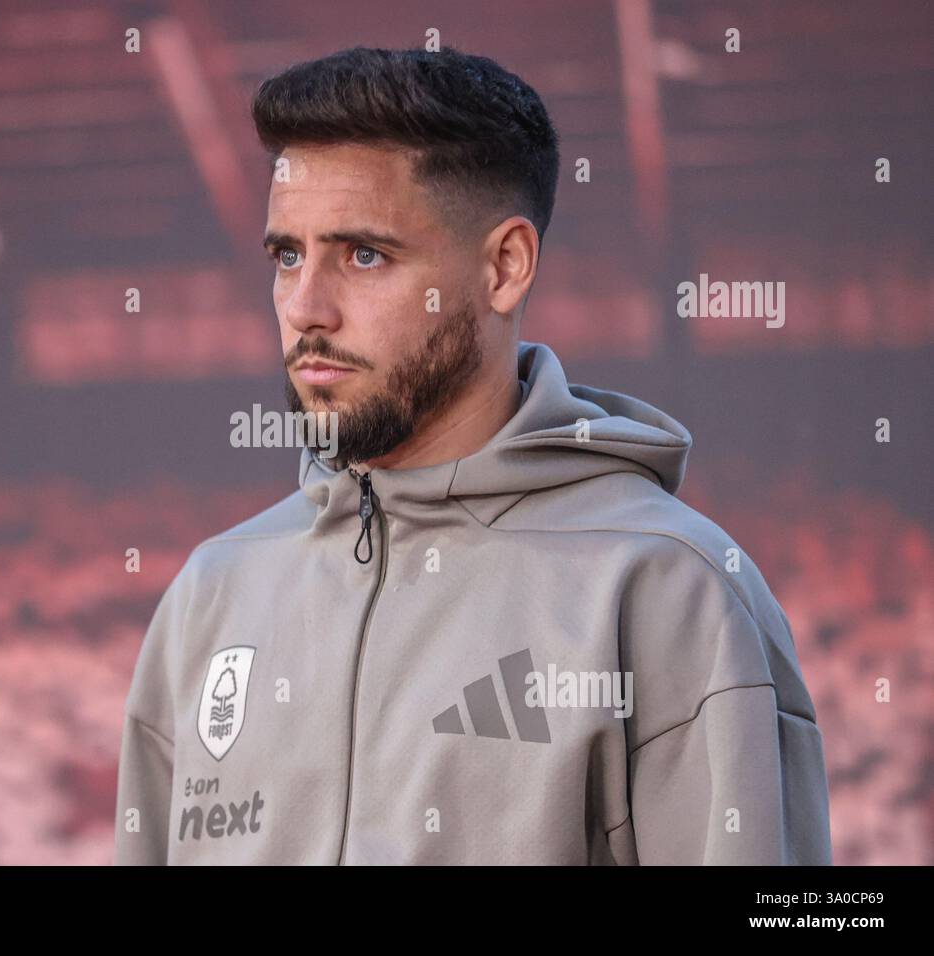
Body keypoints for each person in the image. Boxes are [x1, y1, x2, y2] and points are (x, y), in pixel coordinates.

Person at [114, 46, 831, 864]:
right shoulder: (212, 594)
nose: (306, 307)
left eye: (364, 255)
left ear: (504, 266)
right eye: (287, 256)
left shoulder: (671, 591)